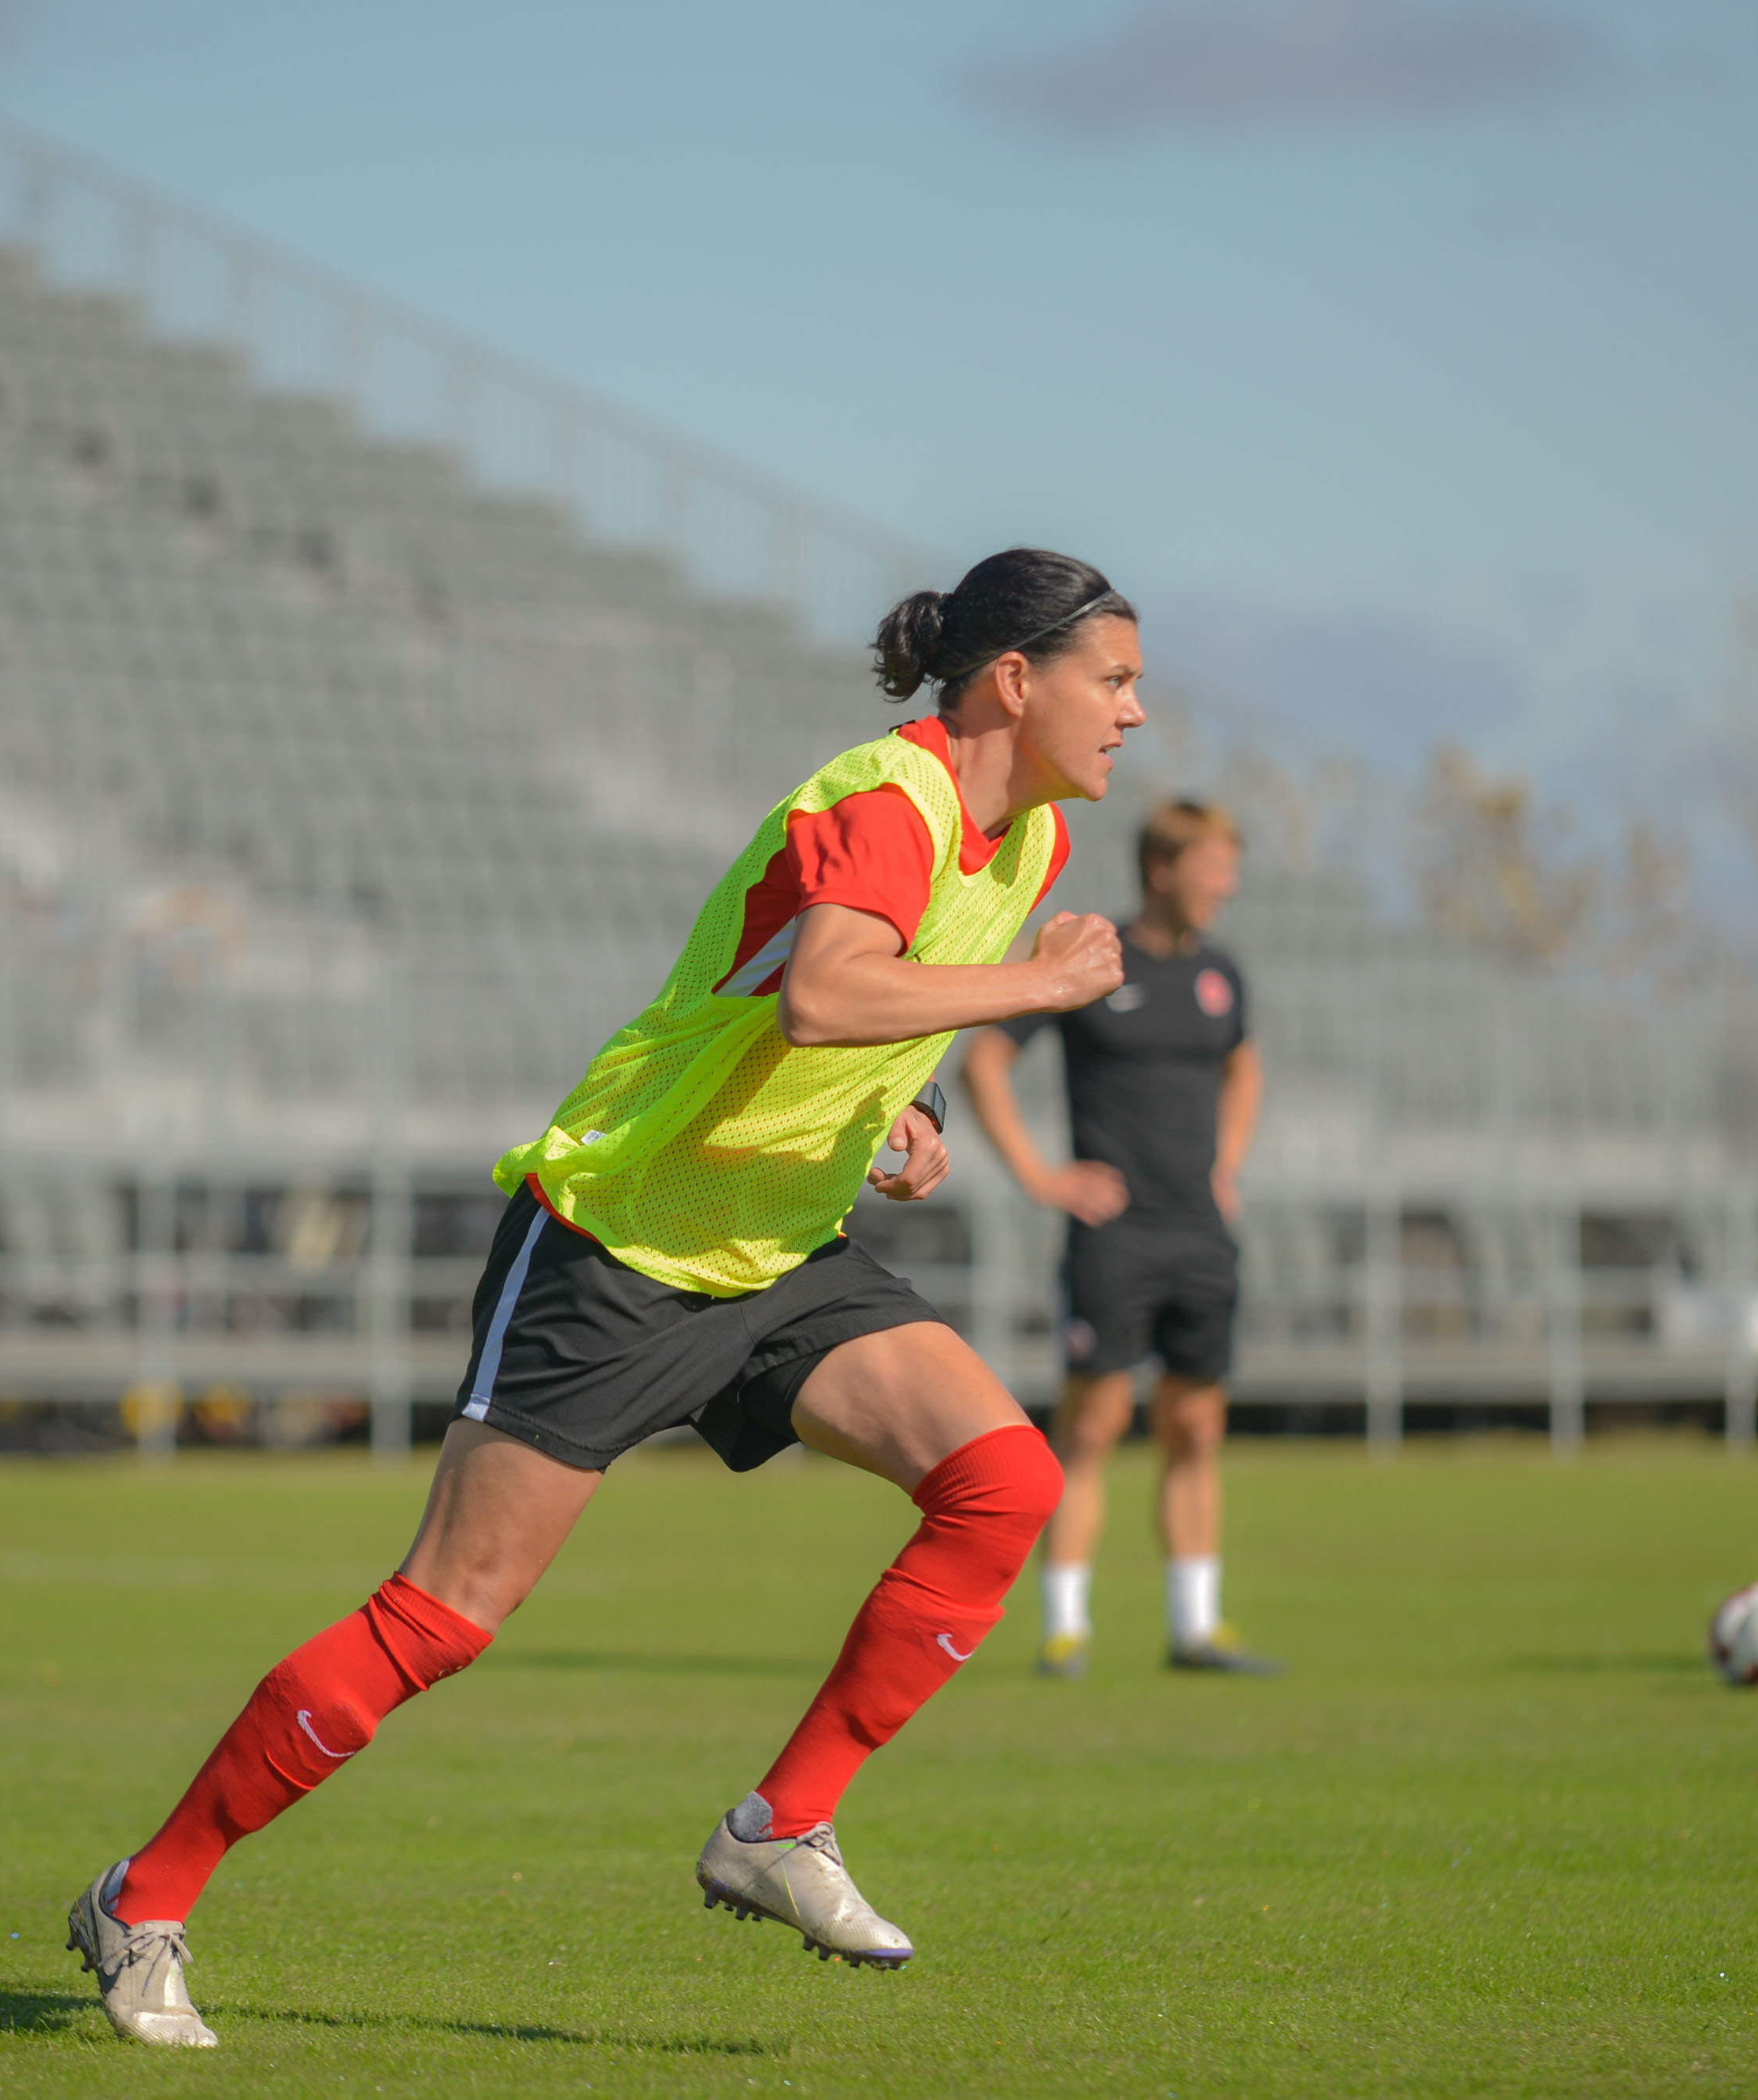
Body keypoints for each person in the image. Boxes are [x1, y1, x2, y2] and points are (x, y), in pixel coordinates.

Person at [65, 549, 1144, 2048]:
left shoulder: (1030, 838)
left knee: (1003, 1481)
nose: (1133, 713)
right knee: (444, 1615)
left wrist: (906, 1110)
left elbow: (852, 1009)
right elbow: (826, 991)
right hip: (620, 1241)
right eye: (1115, 680)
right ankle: (144, 1896)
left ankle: (782, 1825)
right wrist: (1035, 990)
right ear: (1017, 681)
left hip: (780, 1245)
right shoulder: (886, 799)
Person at [958, 796, 1268, 1677]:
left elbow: (1244, 1064)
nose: (1226, 885)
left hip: (1200, 1234)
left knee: (1196, 1429)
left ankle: (1196, 1627)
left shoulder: (1221, 973)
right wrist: (1039, 1176)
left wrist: (1228, 1162)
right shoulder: (1098, 960)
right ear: (1163, 869)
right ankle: (1066, 1628)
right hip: (1114, 1237)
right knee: (1092, 1426)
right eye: (1213, 867)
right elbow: (985, 1060)